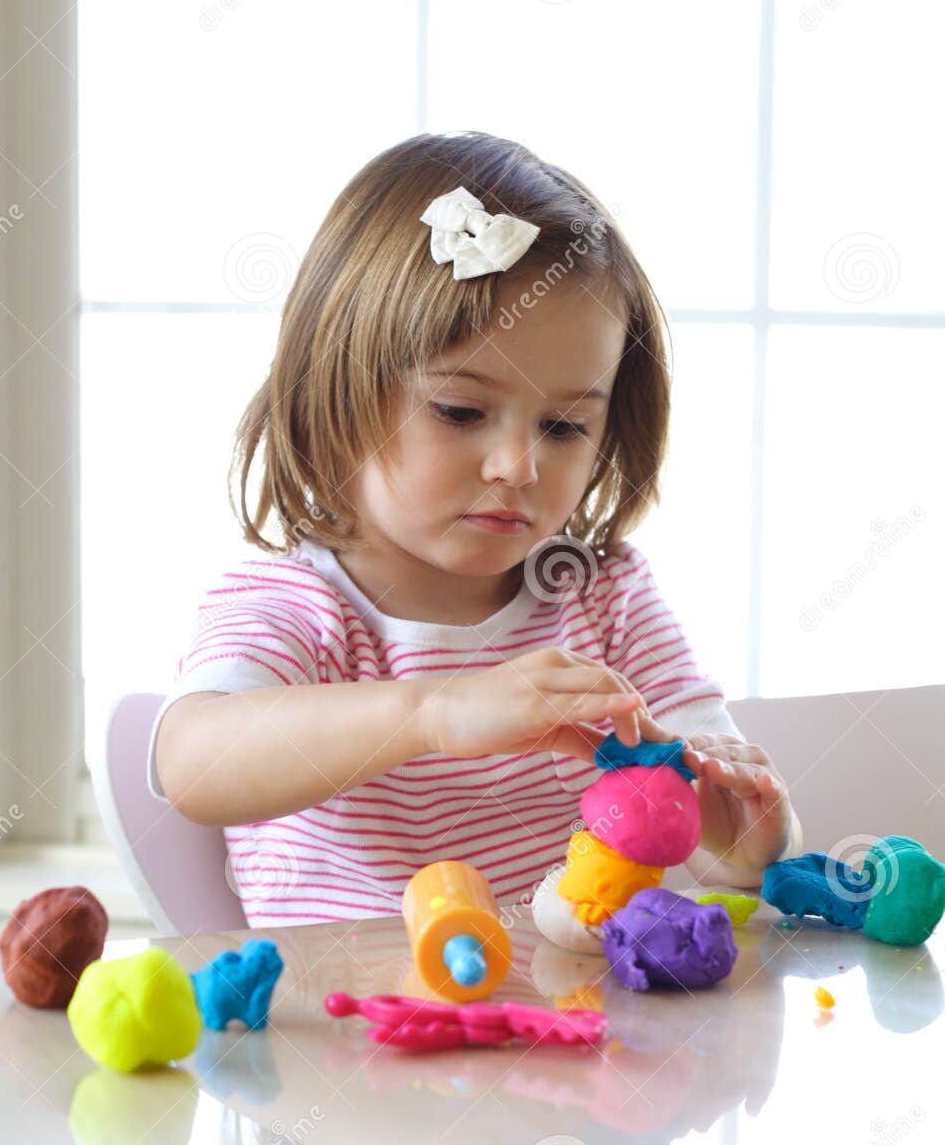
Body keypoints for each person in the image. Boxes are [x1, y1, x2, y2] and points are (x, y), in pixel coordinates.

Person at [149, 131, 801, 926]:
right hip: (352, 1031)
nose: (516, 466)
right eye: (460, 412)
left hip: (591, 1032)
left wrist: (743, 838)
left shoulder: (603, 599)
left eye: (563, 426)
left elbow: (712, 816)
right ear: (338, 391)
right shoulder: (294, 610)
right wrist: (429, 712)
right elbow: (194, 762)